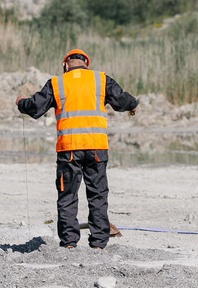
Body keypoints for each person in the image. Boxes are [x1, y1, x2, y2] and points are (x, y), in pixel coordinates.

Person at [16, 49, 138, 249]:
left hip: (69, 149)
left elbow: (34, 107)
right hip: (96, 148)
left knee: (67, 195)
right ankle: (98, 243)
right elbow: (122, 100)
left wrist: (21, 102)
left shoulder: (57, 83)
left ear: (65, 65)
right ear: (86, 64)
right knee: (98, 195)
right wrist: (133, 105)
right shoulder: (100, 79)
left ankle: (69, 243)